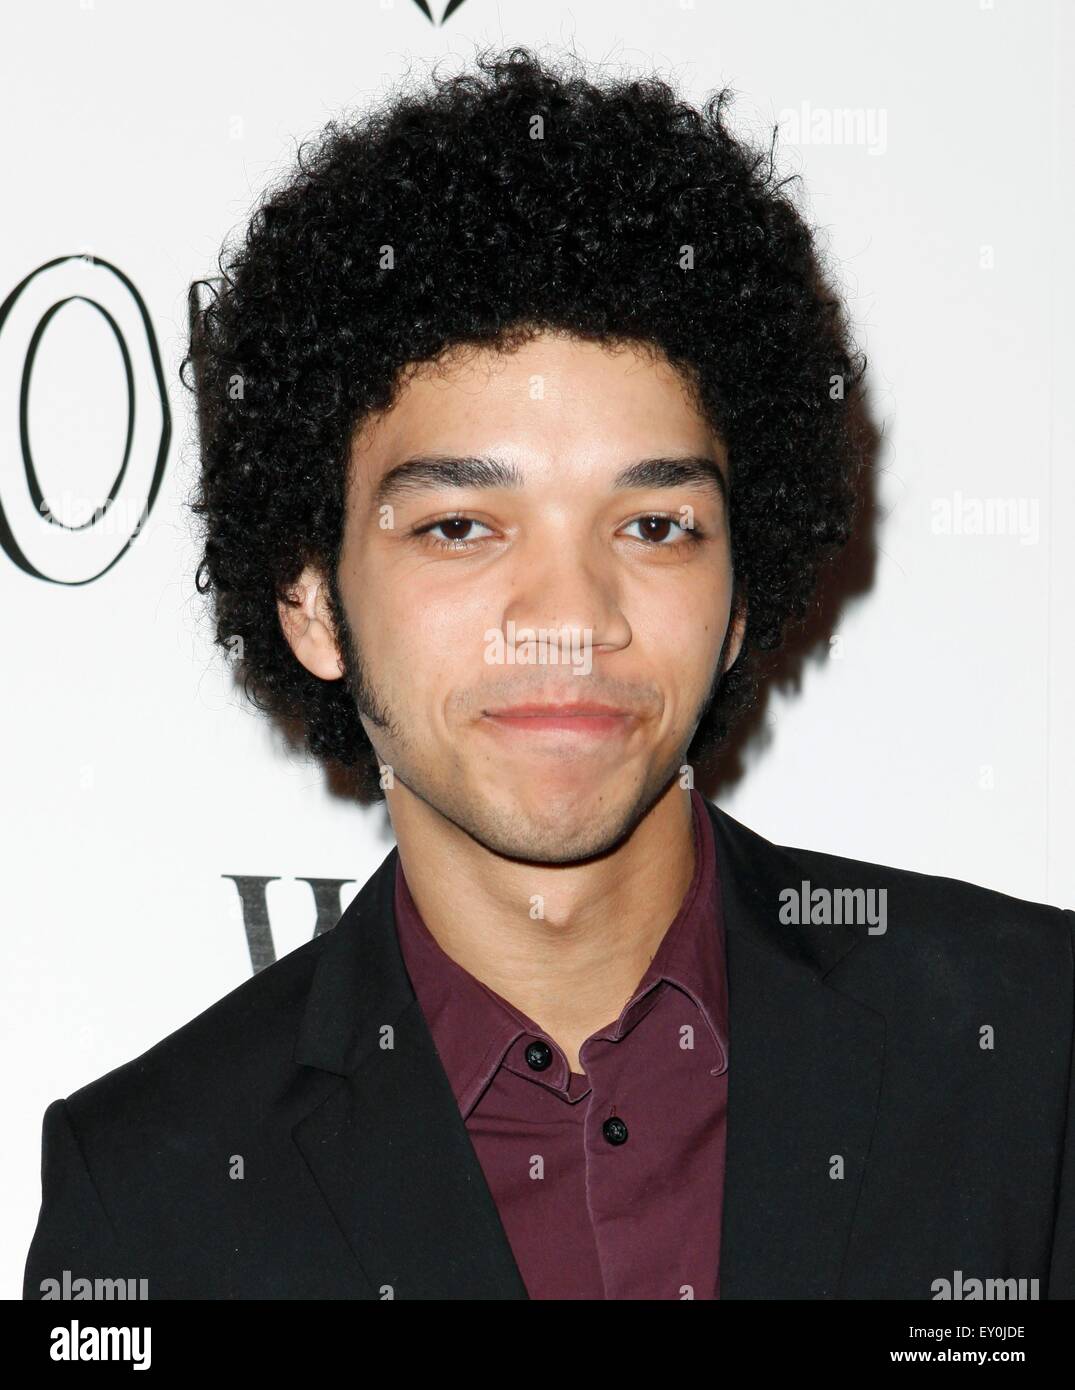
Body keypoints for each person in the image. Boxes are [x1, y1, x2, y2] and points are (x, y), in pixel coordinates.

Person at [24, 45, 1074, 1301]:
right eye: (461, 527)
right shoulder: (153, 1199)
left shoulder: (1030, 1049)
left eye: (653, 526)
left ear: (740, 596)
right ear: (310, 602)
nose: (569, 620)